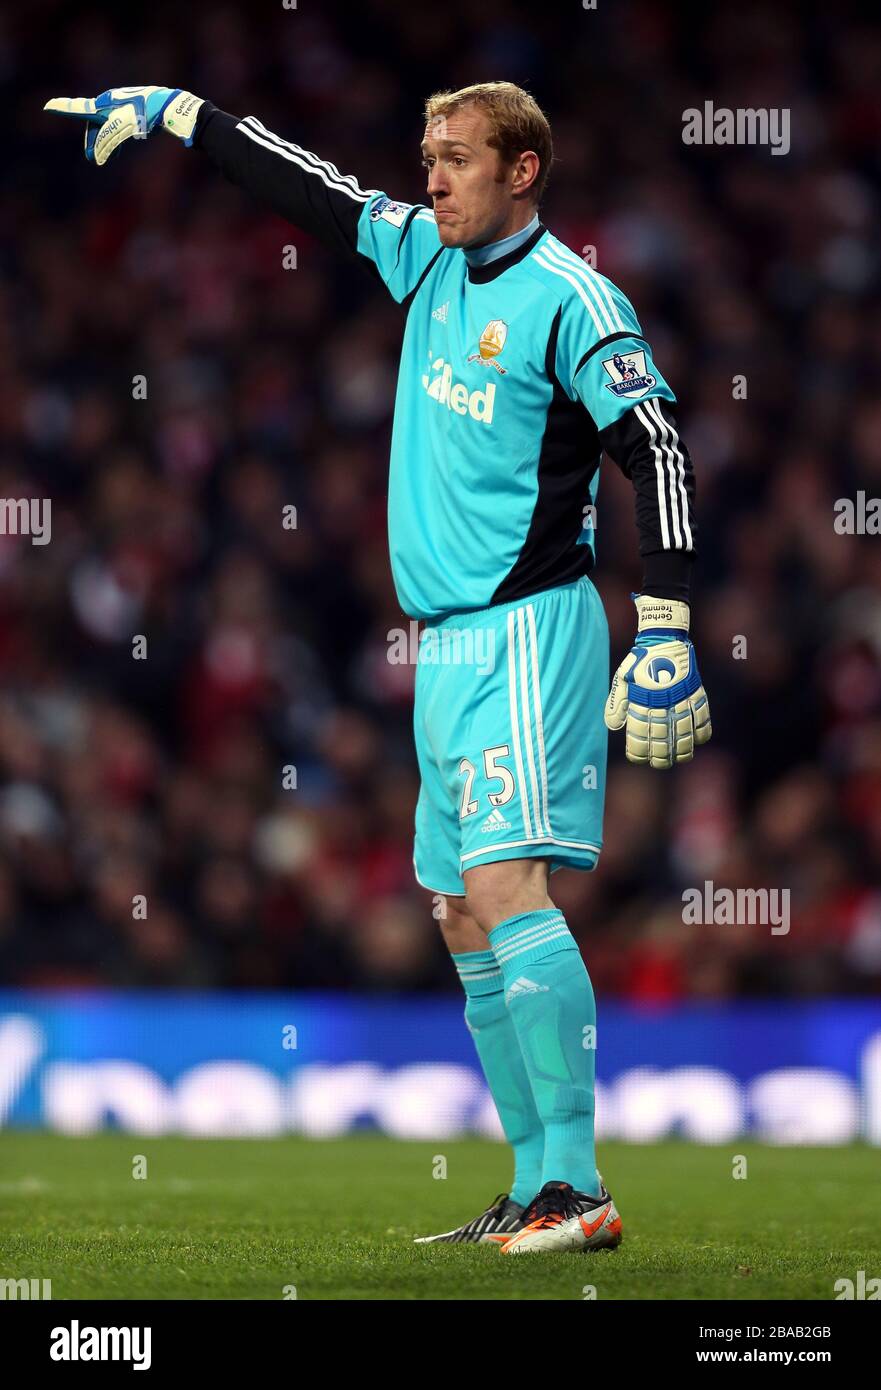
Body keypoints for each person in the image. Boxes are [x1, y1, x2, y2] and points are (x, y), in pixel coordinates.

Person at [45, 81, 711, 1254]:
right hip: (443, 646)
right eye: (426, 156)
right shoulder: (424, 258)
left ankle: (579, 1184)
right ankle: (531, 1184)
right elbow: (306, 185)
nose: (432, 177)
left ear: (523, 172)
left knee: (508, 891)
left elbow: (654, 444)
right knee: (457, 909)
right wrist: (182, 113)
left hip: (523, 627)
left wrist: (663, 625)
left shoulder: (571, 298)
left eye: (456, 158)